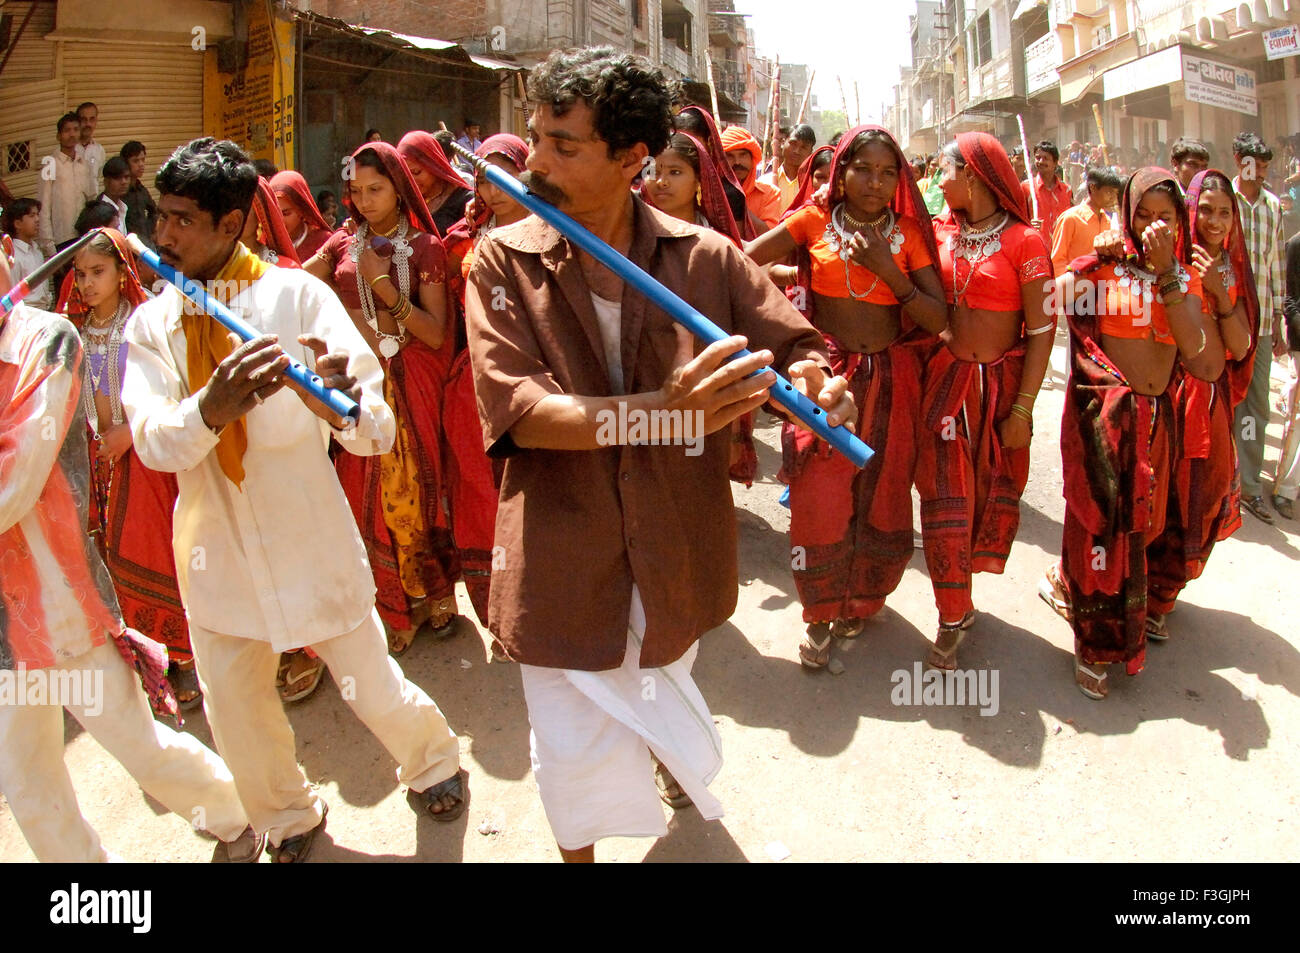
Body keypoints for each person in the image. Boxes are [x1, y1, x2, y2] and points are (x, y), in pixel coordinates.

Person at [464, 47, 852, 861]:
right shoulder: (502, 259)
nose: (535, 161)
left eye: (562, 145)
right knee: (568, 752)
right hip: (562, 552)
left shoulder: (703, 255)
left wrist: (817, 379)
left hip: (674, 536)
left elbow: (792, 343)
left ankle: (669, 762)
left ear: (631, 158)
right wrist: (659, 413)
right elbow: (521, 410)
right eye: (535, 138)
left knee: (666, 681)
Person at [122, 137, 469, 861]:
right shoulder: (150, 325)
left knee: (371, 685)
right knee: (238, 712)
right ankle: (287, 816)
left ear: (232, 224)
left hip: (309, 537)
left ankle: (432, 759)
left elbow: (375, 430)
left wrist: (343, 404)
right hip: (215, 557)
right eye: (161, 218)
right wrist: (208, 410)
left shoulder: (296, 296)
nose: (162, 236)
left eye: (183, 220)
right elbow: (154, 442)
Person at [0, 241, 261, 863]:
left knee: (137, 743)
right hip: (4, 633)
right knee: (28, 783)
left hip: (59, 602)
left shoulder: (46, 340)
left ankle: (237, 817)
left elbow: (15, 481)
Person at [745, 126, 947, 670]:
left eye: (888, 173)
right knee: (818, 493)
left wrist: (890, 270)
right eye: (864, 170)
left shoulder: (907, 232)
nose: (876, 183)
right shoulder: (812, 220)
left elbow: (938, 316)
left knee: (881, 491)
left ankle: (860, 600)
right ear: (841, 171)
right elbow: (742, 262)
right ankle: (818, 613)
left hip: (890, 375)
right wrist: (783, 285)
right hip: (823, 377)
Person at [1047, 168, 1220, 698]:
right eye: (1141, 215)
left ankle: (1078, 589)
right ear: (1125, 216)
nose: (1152, 226)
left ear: (1180, 222)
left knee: (1140, 527)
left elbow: (1204, 360)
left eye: (1164, 217)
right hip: (1105, 422)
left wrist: (1169, 273)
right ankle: (1094, 643)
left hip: (1156, 424)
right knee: (1098, 525)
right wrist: (1097, 259)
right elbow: (1052, 304)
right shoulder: (1105, 273)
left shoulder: (1187, 282)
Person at [303, 142, 462, 656]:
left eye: (377, 189)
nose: (366, 200)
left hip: (410, 382)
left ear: (399, 189)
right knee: (367, 493)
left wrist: (382, 286)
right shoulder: (339, 245)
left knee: (415, 492)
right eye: (357, 191)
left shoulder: (424, 248)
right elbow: (298, 286)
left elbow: (437, 334)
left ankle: (433, 592)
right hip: (360, 384)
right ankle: (393, 603)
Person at [917, 134, 1055, 670]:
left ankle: (963, 593)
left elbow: (1042, 331)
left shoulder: (1027, 243)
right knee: (944, 501)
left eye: (943, 172)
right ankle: (951, 614)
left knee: (986, 499)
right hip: (946, 388)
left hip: (998, 394)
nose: (937, 181)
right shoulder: (938, 235)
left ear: (971, 175)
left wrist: (1022, 410)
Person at [55, 229, 201, 709]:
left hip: (143, 459)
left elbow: (167, 395)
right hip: (97, 463)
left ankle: (182, 658)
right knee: (110, 559)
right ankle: (143, 654)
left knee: (156, 550)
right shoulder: (70, 332)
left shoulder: (142, 324)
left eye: (98, 272)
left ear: (123, 272)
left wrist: (129, 434)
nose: (87, 283)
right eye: (80, 274)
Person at [1143, 171, 1257, 634]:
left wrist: (1218, 294)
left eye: (1224, 212)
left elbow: (1243, 344)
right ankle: (1144, 595)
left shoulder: (1230, 267)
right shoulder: (1169, 262)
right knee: (1162, 501)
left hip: (1214, 404)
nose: (1214, 220)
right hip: (1173, 398)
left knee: (1202, 503)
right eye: (1205, 209)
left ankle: (1164, 594)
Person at [442, 135, 530, 634]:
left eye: (503, 176)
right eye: (482, 178)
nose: (492, 190)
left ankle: (537, 604)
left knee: (531, 494)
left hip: (535, 382)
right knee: (478, 495)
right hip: (470, 386)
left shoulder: (555, 236)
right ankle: (495, 611)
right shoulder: (464, 239)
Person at [646, 130, 757, 487]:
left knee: (698, 487)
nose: (661, 181)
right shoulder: (626, 238)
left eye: (675, 172)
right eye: (654, 170)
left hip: (707, 386)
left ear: (699, 181)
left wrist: (737, 431)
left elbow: (741, 335)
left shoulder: (718, 248)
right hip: (645, 385)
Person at [1229, 133, 1288, 522]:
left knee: (1255, 408)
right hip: (1225, 320)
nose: (1262, 171)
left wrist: (1280, 320)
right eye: (1255, 164)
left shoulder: (1272, 207)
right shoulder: (1222, 202)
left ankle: (1249, 485)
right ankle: (1222, 483)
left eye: (1266, 165)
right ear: (1239, 161)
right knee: (1220, 401)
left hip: (1262, 324)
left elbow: (1276, 265)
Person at [674, 105, 753, 238]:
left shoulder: (729, 195)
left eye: (690, 145)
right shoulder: (660, 186)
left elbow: (737, 248)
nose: (682, 152)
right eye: (677, 144)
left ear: (710, 143)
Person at [37, 113, 96, 257]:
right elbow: (43, 206)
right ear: (58, 136)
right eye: (67, 130)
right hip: (61, 241)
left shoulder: (84, 164)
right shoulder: (49, 163)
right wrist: (49, 247)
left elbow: (91, 201)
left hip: (83, 237)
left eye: (75, 129)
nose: (72, 134)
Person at [397, 131, 473, 236]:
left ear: (433, 166)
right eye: (405, 175)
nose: (411, 181)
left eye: (416, 172)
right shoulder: (404, 200)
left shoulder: (467, 201)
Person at [1050, 165, 1121, 275]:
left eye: (1115, 193)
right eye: (1109, 192)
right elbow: (1057, 262)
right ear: (1092, 188)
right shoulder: (1071, 218)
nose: (1113, 197)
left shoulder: (1107, 220)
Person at [720, 125, 783, 231]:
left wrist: (740, 206)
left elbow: (770, 236)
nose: (737, 162)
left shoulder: (770, 193)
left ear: (752, 159)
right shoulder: (711, 192)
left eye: (743, 155)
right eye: (730, 156)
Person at [269, 170, 334, 262]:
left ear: (301, 210)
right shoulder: (265, 246)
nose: (280, 220)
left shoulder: (324, 242)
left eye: (286, 213)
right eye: (275, 213)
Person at [2, 198, 52, 309]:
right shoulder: (13, 255)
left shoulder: (37, 251)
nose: (37, 219)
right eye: (31, 215)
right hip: (27, 317)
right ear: (17, 224)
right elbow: (11, 295)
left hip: (44, 313)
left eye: (37, 215)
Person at [240, 176, 301, 266]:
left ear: (260, 215)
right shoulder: (213, 269)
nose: (233, 216)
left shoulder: (283, 269)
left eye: (243, 207)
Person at [1022, 139, 1073, 243]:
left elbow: (1072, 219)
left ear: (1055, 162)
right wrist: (1028, 224)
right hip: (1036, 247)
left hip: (1061, 249)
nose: (1041, 162)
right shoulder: (1026, 187)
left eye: (1045, 158)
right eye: (1038, 158)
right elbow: (1015, 220)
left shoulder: (1066, 190)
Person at [760, 123, 816, 214]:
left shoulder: (813, 185)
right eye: (793, 143)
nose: (797, 151)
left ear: (810, 152)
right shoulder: (765, 182)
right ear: (783, 142)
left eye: (804, 147)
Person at [120, 141, 159, 246]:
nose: (141, 164)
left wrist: (149, 231)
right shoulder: (120, 192)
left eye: (143, 160)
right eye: (135, 161)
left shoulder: (142, 190)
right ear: (126, 163)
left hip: (145, 244)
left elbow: (154, 211)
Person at [76, 102, 106, 192]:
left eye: (92, 119)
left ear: (96, 121)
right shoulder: (69, 150)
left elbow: (99, 178)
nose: (88, 124)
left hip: (92, 204)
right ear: (77, 121)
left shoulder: (99, 151)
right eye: (84, 119)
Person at [97, 157, 133, 233]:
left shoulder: (123, 206)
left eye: (126, 177)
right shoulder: (99, 212)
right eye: (117, 178)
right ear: (106, 182)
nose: (124, 182)